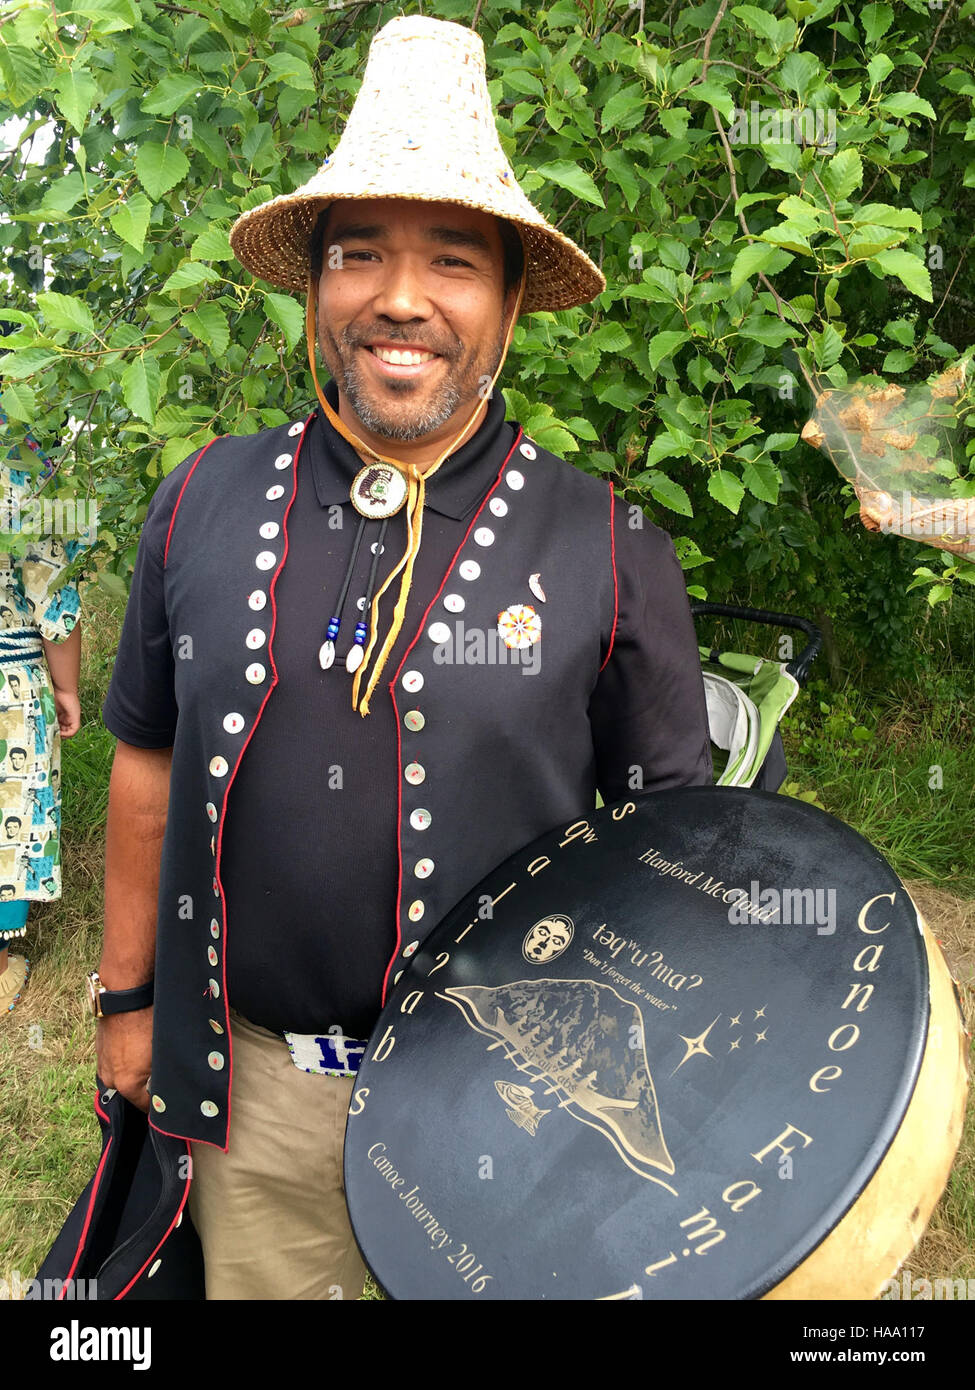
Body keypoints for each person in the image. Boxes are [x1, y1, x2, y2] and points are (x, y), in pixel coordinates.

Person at [95, 15, 712, 1299]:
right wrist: (125, 1003)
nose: (401, 298)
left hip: (519, 1123)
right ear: (315, 286)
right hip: (256, 1107)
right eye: (360, 252)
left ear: (505, 304)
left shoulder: (608, 543)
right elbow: (145, 768)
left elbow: (674, 867)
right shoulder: (199, 499)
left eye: (452, 260)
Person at [0, 413, 83, 1013]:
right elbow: (55, 595)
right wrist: (68, 688)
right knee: (9, 806)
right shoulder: (33, 460)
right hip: (13, 677)